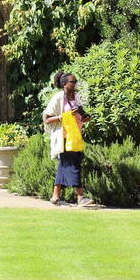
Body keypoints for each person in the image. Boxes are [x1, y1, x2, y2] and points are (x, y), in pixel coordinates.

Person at [43, 71, 93, 207]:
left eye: (76, 81)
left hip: (74, 135)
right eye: (73, 82)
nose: (75, 84)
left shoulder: (76, 96)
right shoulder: (58, 97)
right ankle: (80, 196)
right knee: (73, 165)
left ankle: (55, 197)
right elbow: (47, 119)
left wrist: (85, 117)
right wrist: (62, 116)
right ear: (64, 84)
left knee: (64, 165)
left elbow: (81, 112)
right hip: (63, 137)